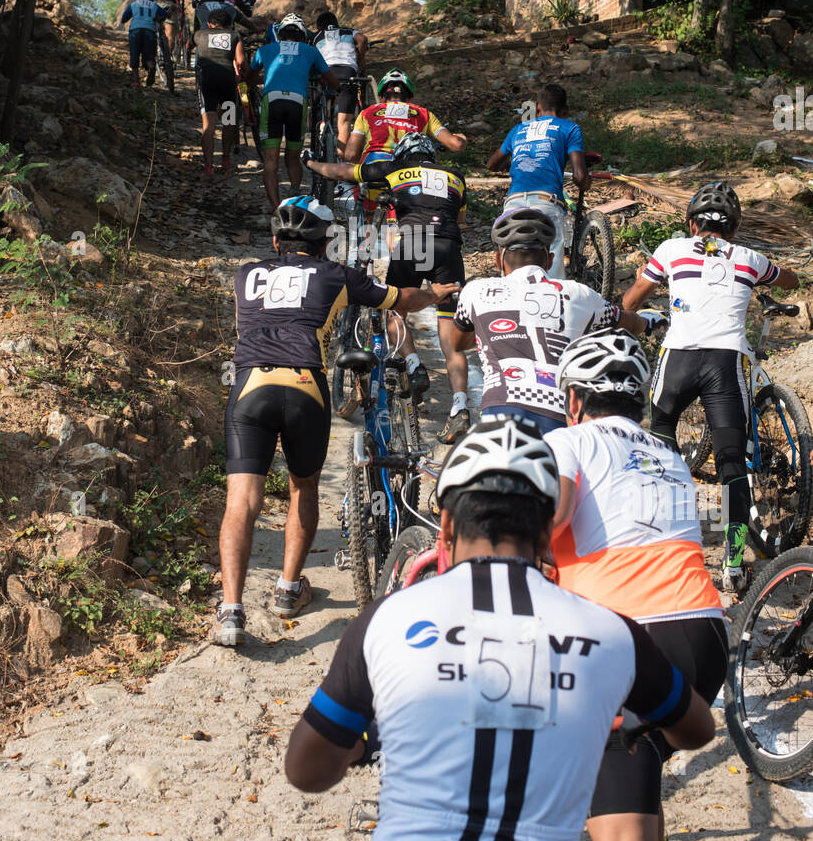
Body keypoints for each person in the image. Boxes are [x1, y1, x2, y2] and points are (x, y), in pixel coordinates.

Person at [285, 416, 715, 841]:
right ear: (548, 528)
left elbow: (305, 771)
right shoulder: (614, 634)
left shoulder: (387, 619)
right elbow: (697, 730)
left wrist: (362, 744)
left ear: (446, 525)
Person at [214, 196, 460, 647]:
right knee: (303, 487)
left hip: (250, 383)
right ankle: (288, 590)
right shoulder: (336, 274)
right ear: (325, 244)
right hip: (306, 383)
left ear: (274, 241)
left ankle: (231, 610)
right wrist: (436, 293)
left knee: (241, 500)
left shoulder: (244, 274)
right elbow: (399, 299)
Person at [547, 329, 727, 841]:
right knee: (638, 778)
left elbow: (550, 518)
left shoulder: (569, 441)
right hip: (703, 633)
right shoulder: (668, 452)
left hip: (625, 639)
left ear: (574, 400)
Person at [621, 180, 800, 596]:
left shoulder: (670, 250)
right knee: (732, 466)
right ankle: (734, 564)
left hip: (678, 359)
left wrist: (638, 308)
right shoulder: (752, 259)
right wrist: (783, 279)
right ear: (734, 230)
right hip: (725, 362)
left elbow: (631, 300)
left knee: (660, 441)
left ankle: (662, 545)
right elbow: (787, 280)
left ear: (690, 224)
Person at [306, 131, 469, 442]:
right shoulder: (455, 176)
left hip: (413, 243)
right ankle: (460, 406)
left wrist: (312, 163)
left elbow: (343, 171)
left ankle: (413, 365)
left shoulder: (393, 169)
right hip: (449, 248)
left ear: (404, 154)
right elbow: (460, 218)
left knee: (395, 310)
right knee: (451, 339)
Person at [451, 207, 651, 435]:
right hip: (561, 414)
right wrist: (647, 322)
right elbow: (627, 321)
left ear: (498, 259)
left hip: (501, 407)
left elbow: (456, 343)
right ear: (550, 260)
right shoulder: (579, 293)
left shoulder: (475, 291)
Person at [487, 83, 590, 280]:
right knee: (552, 273)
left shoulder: (518, 129)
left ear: (537, 106)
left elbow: (492, 164)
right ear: (565, 110)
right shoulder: (569, 128)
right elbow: (579, 176)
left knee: (511, 262)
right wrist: (586, 183)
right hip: (546, 203)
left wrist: (515, 161)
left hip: (514, 203)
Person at [248, 13, 340, 211]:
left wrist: (256, 81)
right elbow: (331, 79)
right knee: (292, 156)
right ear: (302, 36)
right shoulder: (310, 51)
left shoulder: (264, 49)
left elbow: (250, 74)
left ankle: (275, 209)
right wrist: (338, 88)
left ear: (280, 35)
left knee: (271, 159)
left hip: (271, 101)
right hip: (297, 102)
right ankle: (295, 198)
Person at [344, 69, 467, 170]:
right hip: (410, 173)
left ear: (381, 98)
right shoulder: (424, 114)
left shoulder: (367, 113)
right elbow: (456, 145)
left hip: (374, 170)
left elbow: (350, 155)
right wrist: (462, 138)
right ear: (409, 99)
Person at [194, 7, 245, 180]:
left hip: (207, 79)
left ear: (209, 24)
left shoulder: (200, 34)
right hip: (228, 80)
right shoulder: (235, 35)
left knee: (208, 124)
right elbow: (240, 61)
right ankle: (226, 160)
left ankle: (208, 167)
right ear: (229, 24)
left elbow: (188, 46)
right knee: (229, 120)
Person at [312, 10, 368, 154]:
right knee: (344, 122)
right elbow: (362, 39)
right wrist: (360, 60)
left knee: (320, 102)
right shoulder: (348, 31)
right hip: (347, 72)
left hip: (326, 72)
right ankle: (341, 157)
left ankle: (321, 124)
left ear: (319, 27)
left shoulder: (316, 36)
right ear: (336, 23)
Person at [119, 0, 169, 89]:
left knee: (135, 54)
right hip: (150, 30)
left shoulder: (134, 4)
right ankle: (151, 67)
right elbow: (164, 15)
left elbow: (124, 19)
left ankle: (136, 82)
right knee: (150, 54)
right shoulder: (154, 5)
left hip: (135, 31)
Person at [147, 0, 181, 71]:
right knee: (170, 36)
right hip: (169, 5)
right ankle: (167, 57)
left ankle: (153, 56)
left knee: (152, 32)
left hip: (154, 5)